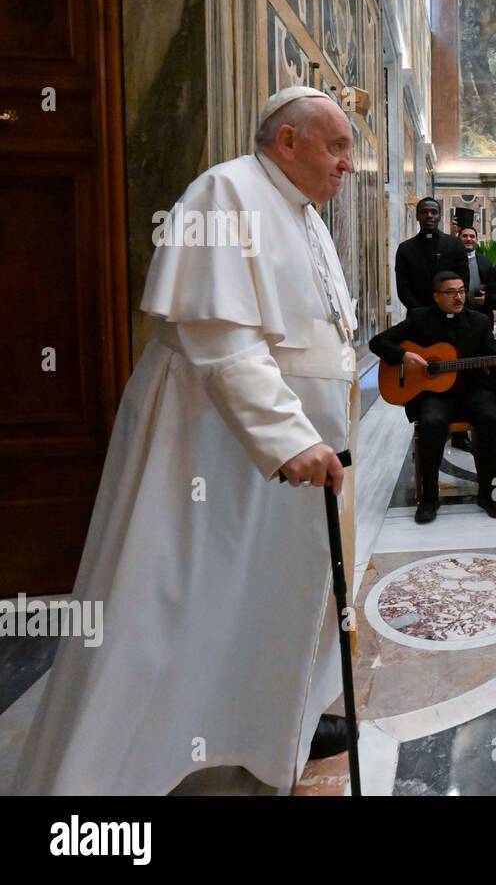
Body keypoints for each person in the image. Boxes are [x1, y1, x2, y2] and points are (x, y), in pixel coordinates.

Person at [15, 87, 360, 794]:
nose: (348, 165)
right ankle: (132, 767)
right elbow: (220, 334)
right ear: (287, 141)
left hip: (283, 454)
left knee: (271, 597)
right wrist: (287, 437)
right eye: (337, 146)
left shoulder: (303, 214)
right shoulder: (223, 193)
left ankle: (271, 724)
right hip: (217, 448)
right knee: (185, 600)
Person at [369, 272, 496, 523]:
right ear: (436, 297)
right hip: (434, 394)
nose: (458, 297)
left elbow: (494, 353)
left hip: (472, 390)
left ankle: (489, 494)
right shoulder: (420, 318)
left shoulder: (479, 321)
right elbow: (377, 342)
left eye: (461, 291)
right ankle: (429, 499)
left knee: (492, 418)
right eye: (450, 292)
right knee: (432, 424)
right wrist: (403, 356)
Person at [395, 196, 469, 312]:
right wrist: (422, 312)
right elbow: (403, 288)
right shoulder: (405, 249)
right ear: (417, 216)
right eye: (424, 212)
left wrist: (449, 306)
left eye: (434, 212)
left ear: (439, 216)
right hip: (418, 315)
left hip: (449, 312)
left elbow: (463, 281)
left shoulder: (455, 244)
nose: (429, 215)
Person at [457, 224, 493, 314]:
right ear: (458, 239)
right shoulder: (451, 260)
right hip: (458, 309)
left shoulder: (486, 262)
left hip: (481, 310)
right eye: (464, 236)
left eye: (472, 236)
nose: (469, 239)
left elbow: (492, 286)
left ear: (476, 240)